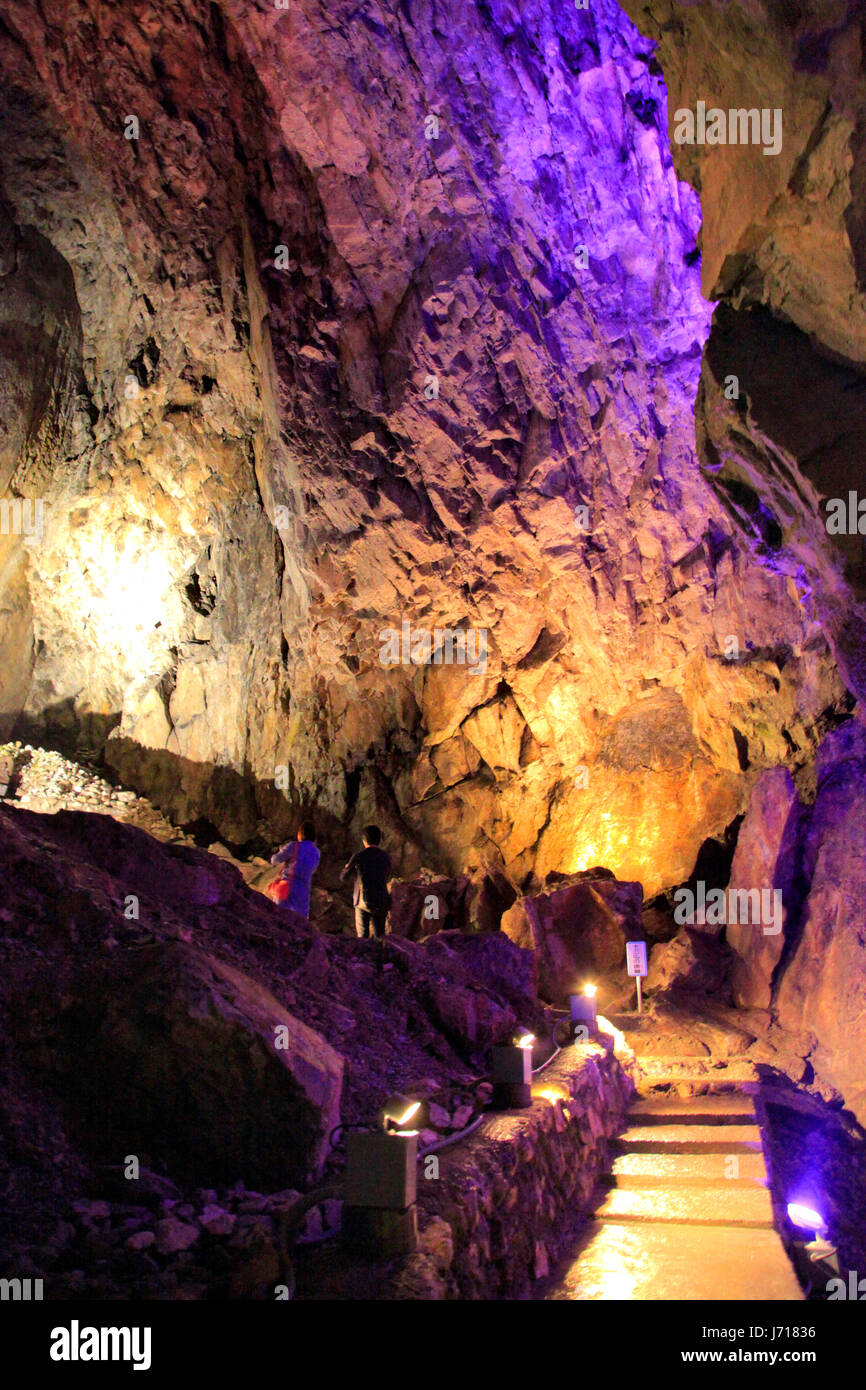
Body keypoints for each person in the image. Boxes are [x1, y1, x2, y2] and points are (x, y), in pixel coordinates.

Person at [341, 824, 391, 939]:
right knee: (380, 936)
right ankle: (380, 956)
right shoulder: (385, 857)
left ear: (364, 840)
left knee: (362, 937)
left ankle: (363, 956)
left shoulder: (358, 856)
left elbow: (343, 877)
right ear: (379, 840)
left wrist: (347, 867)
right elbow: (386, 875)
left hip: (362, 901)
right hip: (381, 899)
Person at [270, 821, 320, 919]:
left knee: (278, 919)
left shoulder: (294, 846)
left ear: (300, 834)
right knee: (301, 923)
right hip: (303, 891)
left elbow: (274, 860)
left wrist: (281, 851)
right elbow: (313, 869)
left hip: (287, 887)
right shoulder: (316, 852)